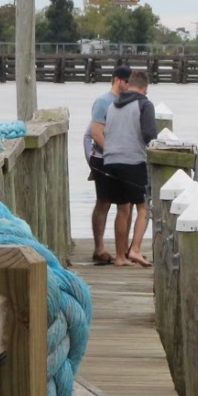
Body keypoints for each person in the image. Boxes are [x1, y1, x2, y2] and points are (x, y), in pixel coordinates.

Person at [101, 70, 156, 266]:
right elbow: (150, 134)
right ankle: (135, 249)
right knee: (144, 208)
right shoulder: (144, 104)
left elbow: (106, 131)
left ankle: (120, 257)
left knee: (122, 208)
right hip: (133, 161)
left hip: (110, 161)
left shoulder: (112, 105)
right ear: (145, 88)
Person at [84, 65, 132, 264]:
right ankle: (99, 249)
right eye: (127, 82)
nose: (129, 86)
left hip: (124, 160)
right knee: (103, 202)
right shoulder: (103, 102)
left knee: (126, 204)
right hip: (103, 158)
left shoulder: (128, 102)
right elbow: (96, 133)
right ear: (117, 80)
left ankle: (125, 250)